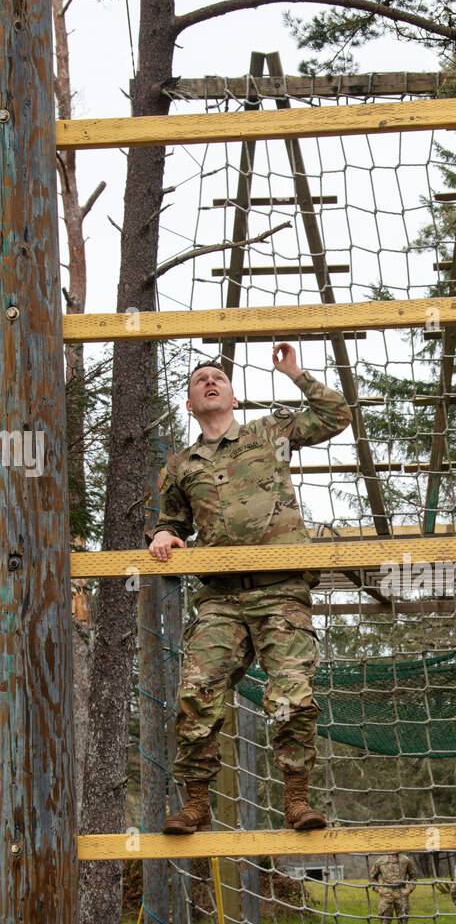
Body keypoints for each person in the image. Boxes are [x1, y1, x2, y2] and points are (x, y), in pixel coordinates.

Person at [148, 343, 351, 834]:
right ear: (190, 404)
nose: (210, 382)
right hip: (221, 598)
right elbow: (172, 520)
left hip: (281, 590)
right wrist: (162, 533)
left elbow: (336, 415)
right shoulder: (181, 464)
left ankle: (297, 801)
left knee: (292, 696)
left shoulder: (270, 433)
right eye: (200, 381)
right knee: (197, 692)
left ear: (234, 397)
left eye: (218, 377)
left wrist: (295, 373)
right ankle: (196, 804)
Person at [369, 851, 417, 924]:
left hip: (401, 893)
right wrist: (379, 889)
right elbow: (372, 878)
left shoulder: (405, 860)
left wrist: (409, 889)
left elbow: (413, 877)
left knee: (403, 922)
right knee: (385, 923)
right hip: (386, 894)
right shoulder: (380, 861)